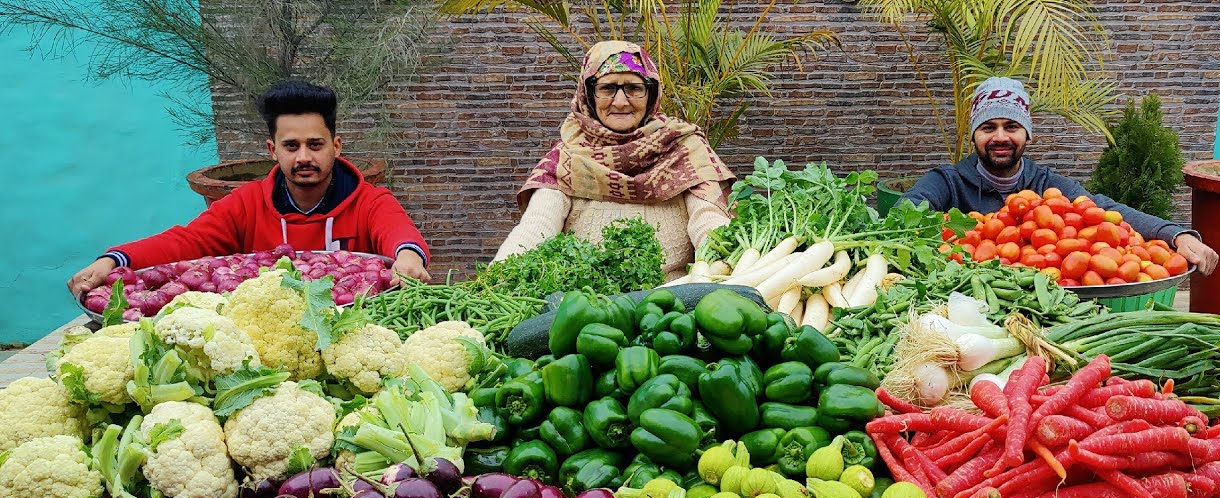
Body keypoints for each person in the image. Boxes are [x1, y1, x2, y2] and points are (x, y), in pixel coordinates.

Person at [67, 80, 432, 296]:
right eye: (291, 146)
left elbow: (400, 234)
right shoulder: (246, 203)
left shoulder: (368, 201)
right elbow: (185, 242)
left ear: (336, 146)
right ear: (273, 150)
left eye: (315, 145)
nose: (304, 156)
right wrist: (112, 260)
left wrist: (409, 259)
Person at [900, 77, 1219, 275]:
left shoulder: (1045, 185)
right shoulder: (948, 182)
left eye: (1011, 127)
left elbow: (1103, 209)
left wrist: (1176, 235)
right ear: (974, 136)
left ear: (1026, 134)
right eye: (988, 127)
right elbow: (908, 208)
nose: (1000, 137)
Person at [494, 40, 736, 280]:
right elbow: (536, 227)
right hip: (588, 306)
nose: (621, 101)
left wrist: (723, 265)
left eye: (634, 88)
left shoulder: (683, 148)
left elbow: (709, 220)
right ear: (589, 94)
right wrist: (496, 281)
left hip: (673, 304)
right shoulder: (568, 156)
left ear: (651, 94)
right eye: (608, 88)